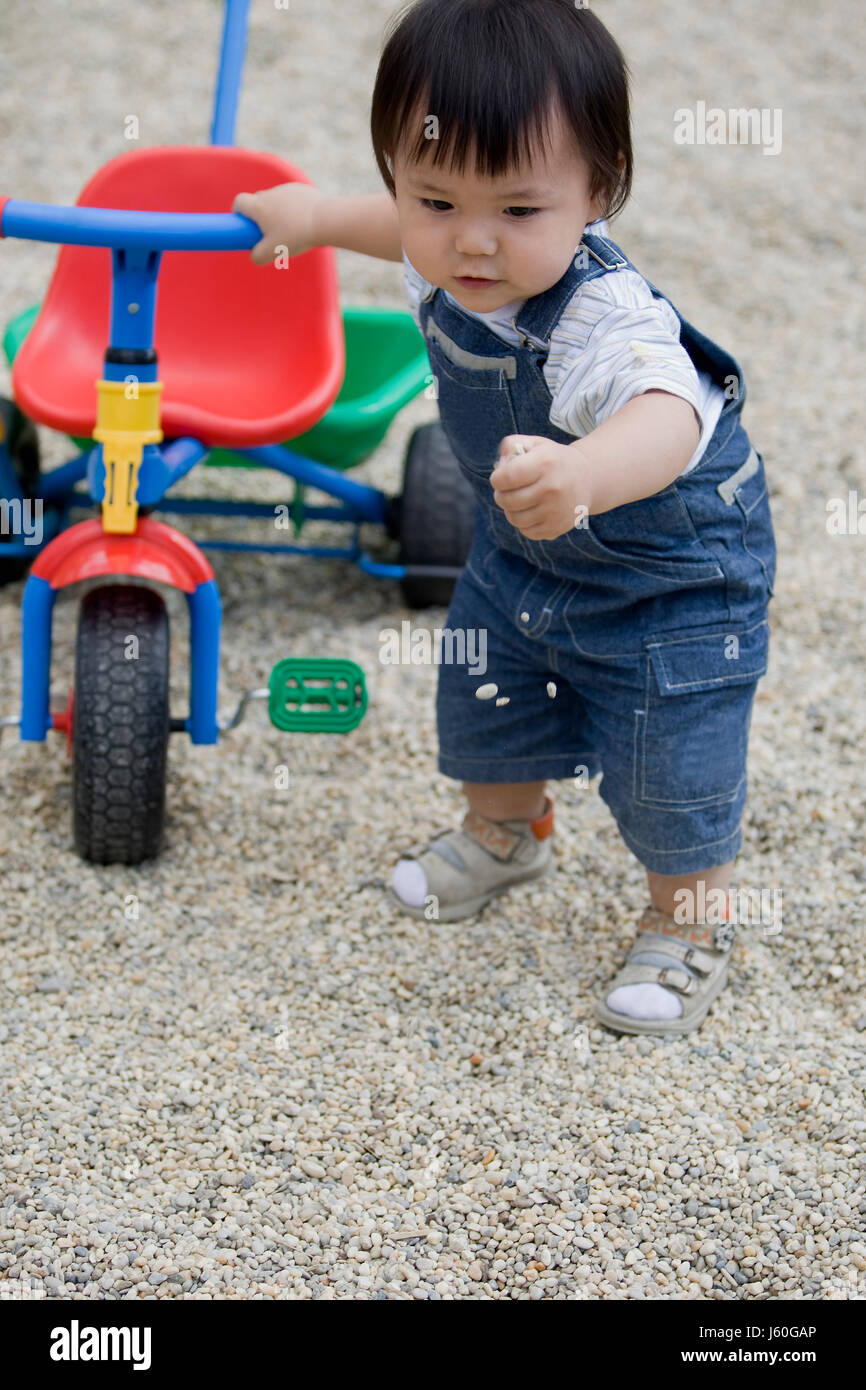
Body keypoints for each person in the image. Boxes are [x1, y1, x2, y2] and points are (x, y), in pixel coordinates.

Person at [234, 0, 776, 1035]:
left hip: (671, 573)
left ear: (596, 192)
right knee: (485, 696)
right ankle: (503, 834)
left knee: (674, 756)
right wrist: (302, 217)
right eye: (434, 198)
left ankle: (691, 920)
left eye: (519, 212)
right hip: (527, 548)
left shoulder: (604, 322)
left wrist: (586, 471)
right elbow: (384, 225)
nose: (470, 242)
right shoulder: (433, 243)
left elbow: (666, 416)